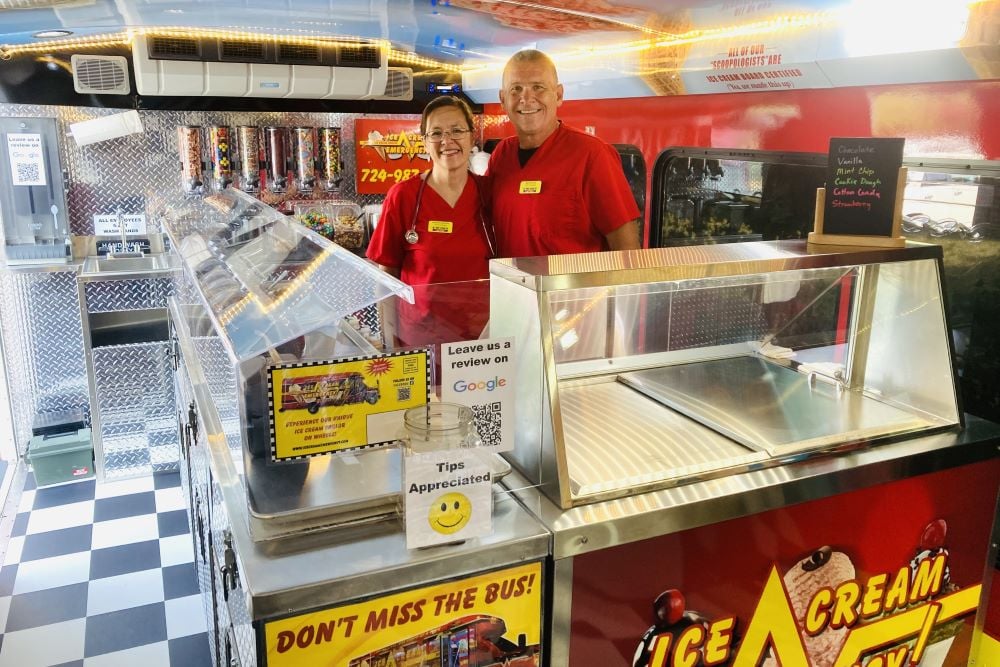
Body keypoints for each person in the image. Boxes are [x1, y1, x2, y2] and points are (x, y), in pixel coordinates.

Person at [487, 49, 641, 257]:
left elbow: (627, 250)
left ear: (558, 95)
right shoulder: (501, 155)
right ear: (502, 99)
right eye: (516, 89)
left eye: (538, 87)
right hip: (510, 288)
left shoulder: (593, 155)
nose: (526, 98)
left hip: (576, 290)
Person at [367, 96, 494, 346]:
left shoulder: (491, 193)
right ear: (425, 142)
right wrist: (389, 341)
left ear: (471, 137)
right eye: (436, 133)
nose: (447, 141)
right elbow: (386, 277)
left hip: (484, 339)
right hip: (421, 338)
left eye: (457, 130)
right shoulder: (403, 196)